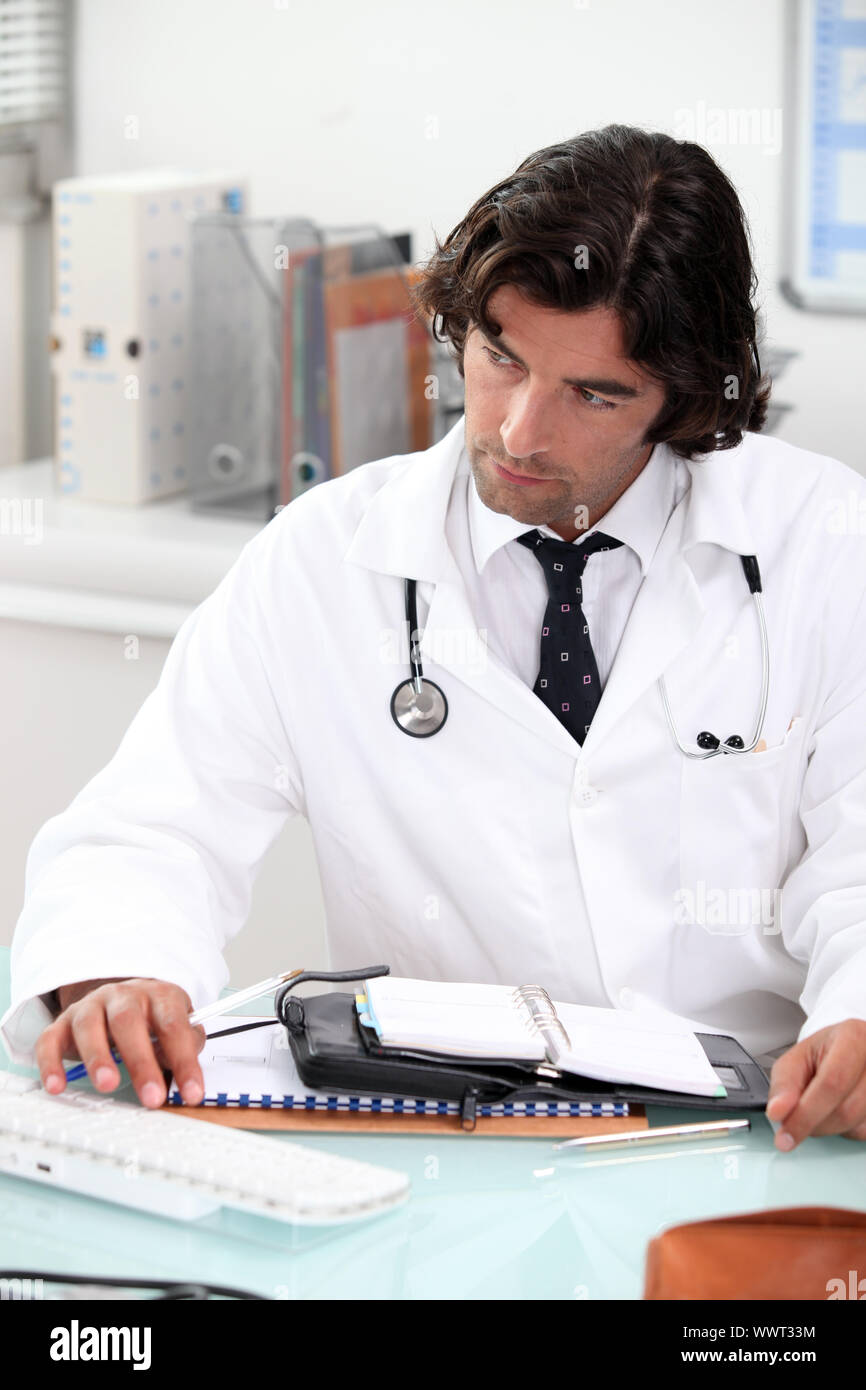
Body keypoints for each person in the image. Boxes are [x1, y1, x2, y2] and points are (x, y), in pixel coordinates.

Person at [4, 125, 866, 1151]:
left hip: (751, 1136)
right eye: (501, 357)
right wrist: (119, 974)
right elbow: (152, 828)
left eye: (593, 394)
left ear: (681, 397)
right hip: (446, 1141)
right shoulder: (323, 559)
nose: (518, 432)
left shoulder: (822, 543)